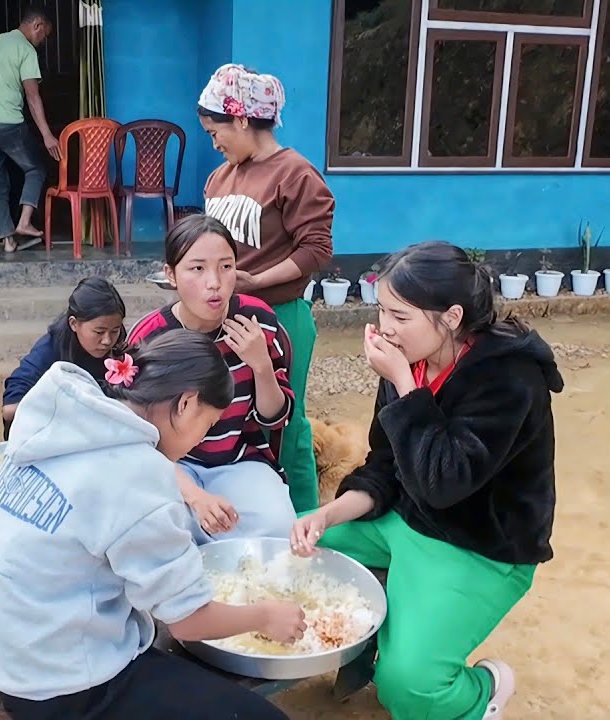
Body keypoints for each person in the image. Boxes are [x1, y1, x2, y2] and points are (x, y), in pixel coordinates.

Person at [0, 329, 303, 720]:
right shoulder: (139, 473)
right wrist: (265, 615)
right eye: (206, 427)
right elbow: (189, 621)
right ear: (187, 404)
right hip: (53, 682)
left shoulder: (62, 419)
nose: (197, 443)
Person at [290, 241, 563, 720]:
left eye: (400, 316)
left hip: (479, 544)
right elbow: (385, 464)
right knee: (292, 538)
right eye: (382, 310)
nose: (384, 328)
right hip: (406, 518)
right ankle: (379, 625)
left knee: (409, 688)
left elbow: (445, 482)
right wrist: (328, 513)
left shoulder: (510, 378)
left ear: (452, 317)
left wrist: (405, 386)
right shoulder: (407, 359)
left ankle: (482, 691)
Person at [197, 62, 334, 514]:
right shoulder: (219, 178)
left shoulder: (295, 173)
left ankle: (305, 523)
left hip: (280, 315)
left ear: (241, 119)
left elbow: (316, 248)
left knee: (286, 425)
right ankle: (254, 517)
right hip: (223, 315)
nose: (213, 142)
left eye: (216, 130)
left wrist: (258, 280)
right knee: (230, 417)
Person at [128, 214, 297, 543]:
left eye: (226, 266)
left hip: (238, 460)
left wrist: (261, 365)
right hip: (168, 465)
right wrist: (194, 496)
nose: (214, 283)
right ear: (170, 274)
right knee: (157, 534)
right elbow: (136, 439)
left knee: (278, 531)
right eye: (197, 268)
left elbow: (276, 418)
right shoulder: (150, 338)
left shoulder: (257, 320)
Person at [0, 6, 60, 252]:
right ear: (37, 25)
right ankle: (24, 222)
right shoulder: (25, 49)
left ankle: (7, 240)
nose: (42, 42)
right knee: (36, 167)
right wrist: (46, 135)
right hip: (7, 123)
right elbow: (33, 97)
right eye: (44, 36)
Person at [1, 277, 127, 438]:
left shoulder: (120, 347)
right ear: (74, 324)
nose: (107, 340)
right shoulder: (50, 351)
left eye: (115, 330)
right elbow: (9, 410)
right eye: (99, 332)